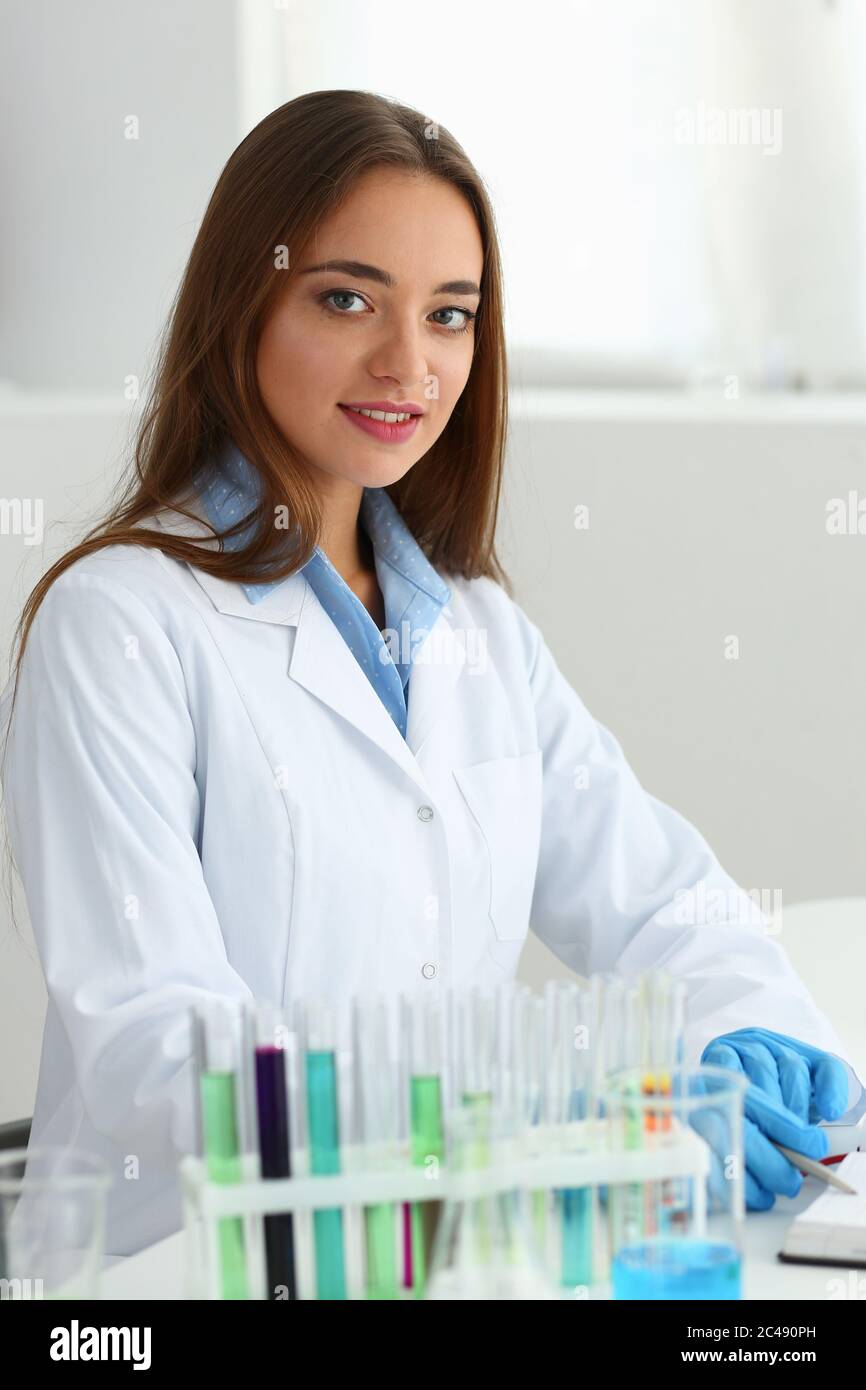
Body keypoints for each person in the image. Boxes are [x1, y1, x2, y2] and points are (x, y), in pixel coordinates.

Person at [2, 90, 863, 1259]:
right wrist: (530, 1116)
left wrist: (740, 1038)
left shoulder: (476, 629)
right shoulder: (121, 624)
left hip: (448, 1259)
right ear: (242, 301)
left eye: (449, 315)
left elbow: (663, 899)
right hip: (183, 1268)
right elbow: (157, 1054)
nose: (408, 363)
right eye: (347, 298)